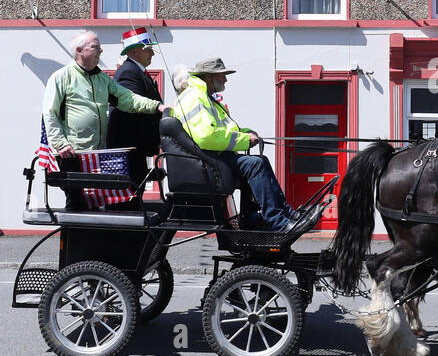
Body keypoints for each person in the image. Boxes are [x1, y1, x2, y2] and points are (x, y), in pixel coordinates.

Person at [43, 30, 170, 209]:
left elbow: (128, 99)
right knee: (76, 205)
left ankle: (93, 238)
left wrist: (157, 106)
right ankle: (73, 238)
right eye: (96, 47)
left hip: (97, 154)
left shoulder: (102, 79)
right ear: (80, 50)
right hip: (72, 154)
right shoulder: (61, 77)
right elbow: (50, 113)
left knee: (96, 203)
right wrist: (60, 144)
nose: (101, 51)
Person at [173, 57, 298, 230]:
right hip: (209, 159)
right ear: (209, 77)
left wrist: (245, 132)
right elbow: (207, 137)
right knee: (256, 165)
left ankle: (285, 212)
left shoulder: (202, 96)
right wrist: (245, 141)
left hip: (213, 156)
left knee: (261, 161)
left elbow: (221, 128)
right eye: (221, 75)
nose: (225, 79)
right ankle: (278, 222)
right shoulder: (195, 98)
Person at [107, 27, 163, 186]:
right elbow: (136, 109)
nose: (152, 53)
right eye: (148, 49)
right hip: (128, 151)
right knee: (128, 203)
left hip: (135, 150)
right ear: (134, 51)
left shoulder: (137, 72)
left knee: (136, 200)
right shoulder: (128, 73)